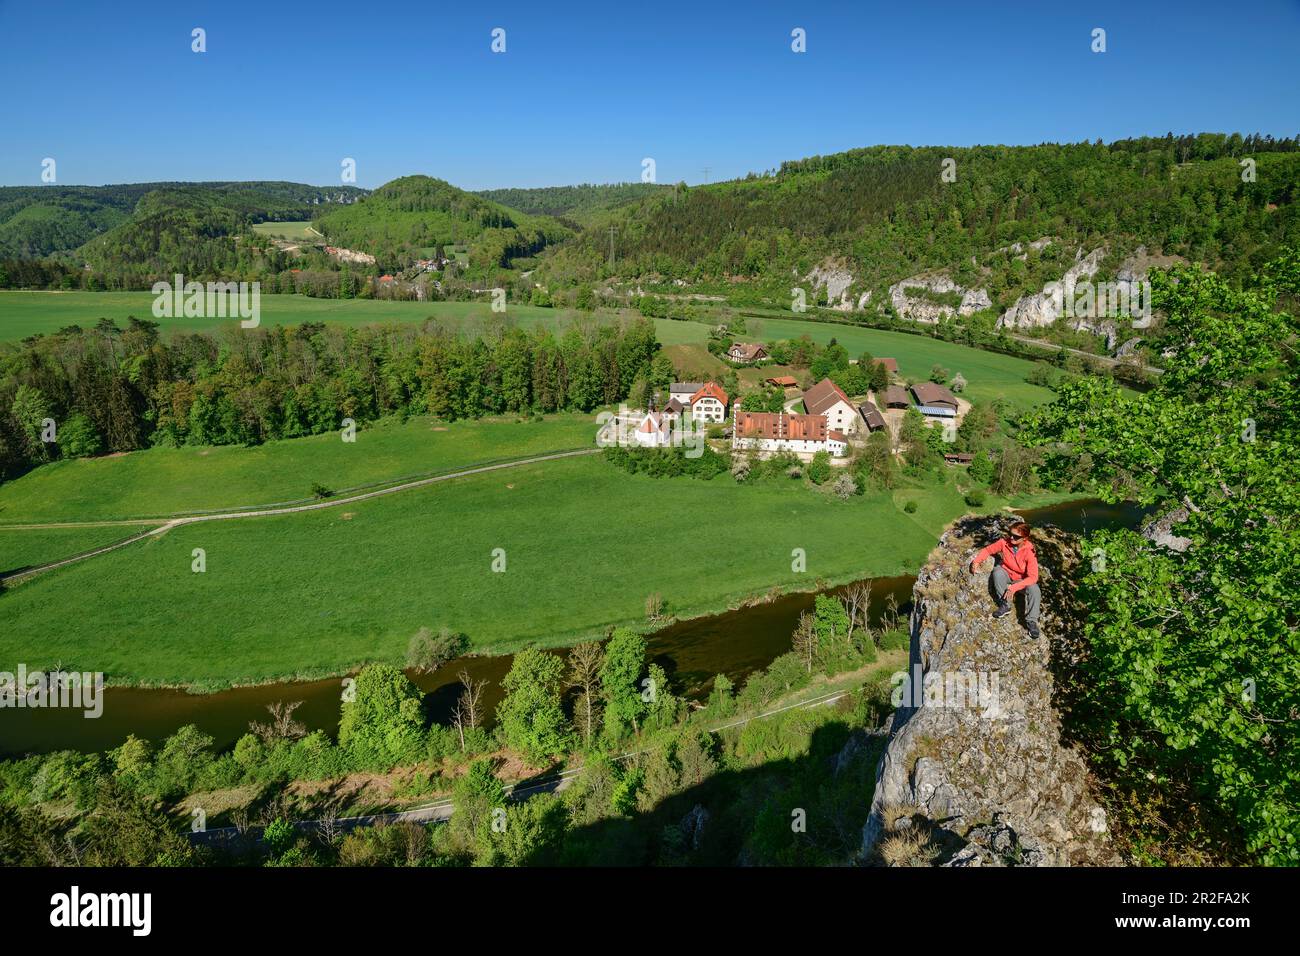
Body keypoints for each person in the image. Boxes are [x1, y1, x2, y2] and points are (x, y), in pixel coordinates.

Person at [969, 521, 1040, 639]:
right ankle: (1005, 605)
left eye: (1016, 537)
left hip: (1021, 581)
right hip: (1007, 573)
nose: (1011, 538)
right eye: (1010, 534)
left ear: (1025, 538)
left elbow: (1033, 577)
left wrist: (1014, 587)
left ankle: (1031, 622)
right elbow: (988, 550)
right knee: (997, 572)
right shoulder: (1004, 543)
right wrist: (976, 561)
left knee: (1035, 589)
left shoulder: (1030, 552)